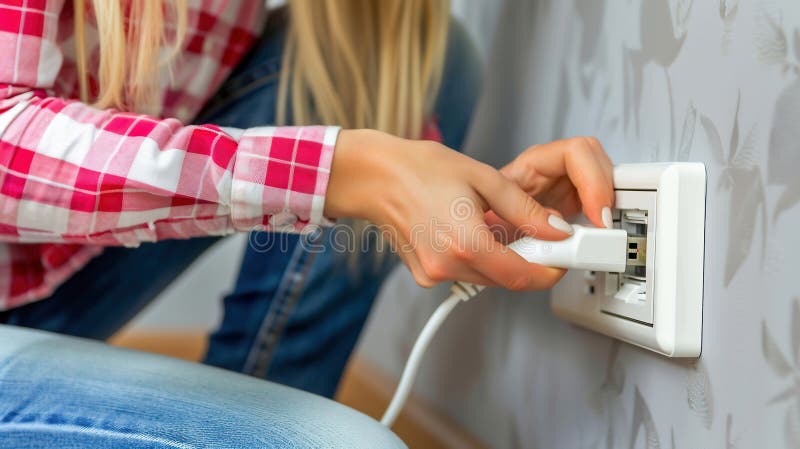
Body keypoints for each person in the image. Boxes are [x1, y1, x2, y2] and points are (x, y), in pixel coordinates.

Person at [0, 0, 614, 447]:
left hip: (51, 288)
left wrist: (470, 217)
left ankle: (262, 403)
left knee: (425, 62)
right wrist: (339, 172)